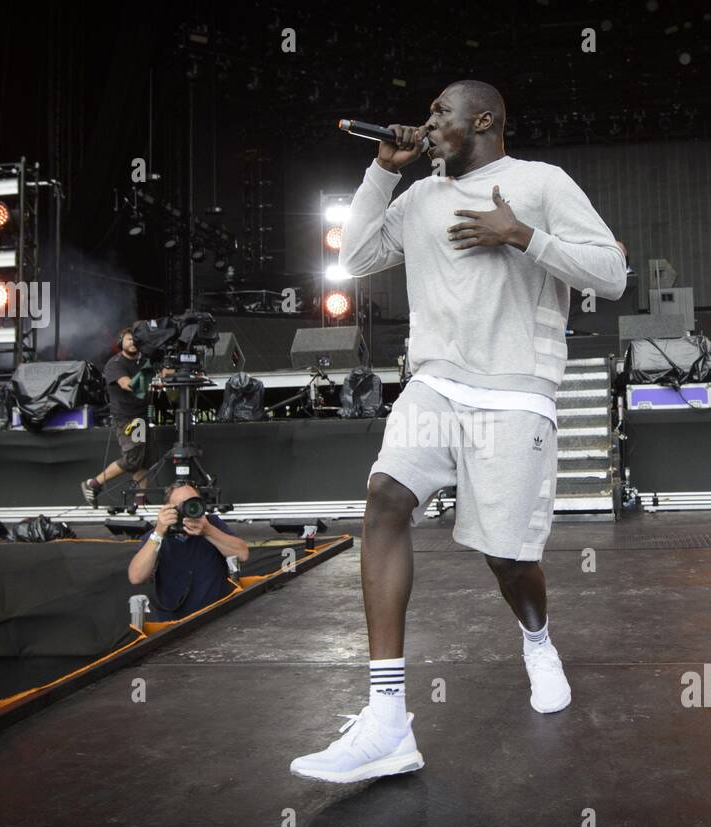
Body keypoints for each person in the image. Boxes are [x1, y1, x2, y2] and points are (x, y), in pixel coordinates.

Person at [290, 80, 627, 783]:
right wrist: (383, 170)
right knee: (384, 496)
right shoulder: (418, 197)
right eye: (428, 112)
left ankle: (535, 638)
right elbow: (353, 260)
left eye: (441, 111)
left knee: (506, 559)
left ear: (484, 119)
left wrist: (522, 236)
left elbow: (613, 272)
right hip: (437, 381)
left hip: (514, 391)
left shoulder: (540, 183)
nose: (427, 121)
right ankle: (387, 721)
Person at [127, 481, 250, 621]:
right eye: (181, 505)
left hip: (216, 620)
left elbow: (243, 554)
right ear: (168, 509)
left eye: (193, 503)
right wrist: (159, 532)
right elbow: (136, 577)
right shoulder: (156, 536)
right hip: (174, 626)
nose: (188, 509)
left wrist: (208, 531)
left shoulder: (211, 524)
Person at [82, 328, 150, 507]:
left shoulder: (144, 361)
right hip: (127, 418)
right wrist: (149, 376)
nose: (133, 342)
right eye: (129, 339)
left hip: (140, 416)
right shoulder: (115, 364)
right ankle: (94, 484)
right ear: (121, 342)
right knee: (132, 459)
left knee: (141, 459)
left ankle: (140, 500)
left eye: (135, 339)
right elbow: (126, 384)